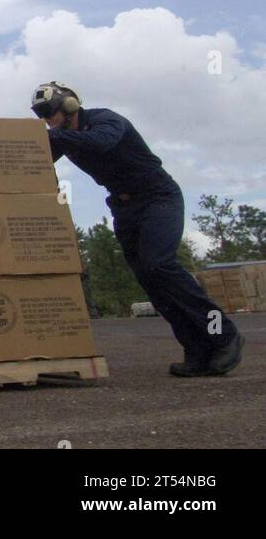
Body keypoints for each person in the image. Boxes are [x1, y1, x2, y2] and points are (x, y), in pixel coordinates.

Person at [31, 81, 244, 376]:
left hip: (158, 197)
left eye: (50, 112)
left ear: (69, 105)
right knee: (150, 280)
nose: (48, 120)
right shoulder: (64, 136)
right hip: (123, 207)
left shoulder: (106, 121)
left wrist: (54, 137)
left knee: (160, 264)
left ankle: (223, 334)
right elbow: (33, 157)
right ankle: (197, 349)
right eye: (41, 115)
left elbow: (100, 143)